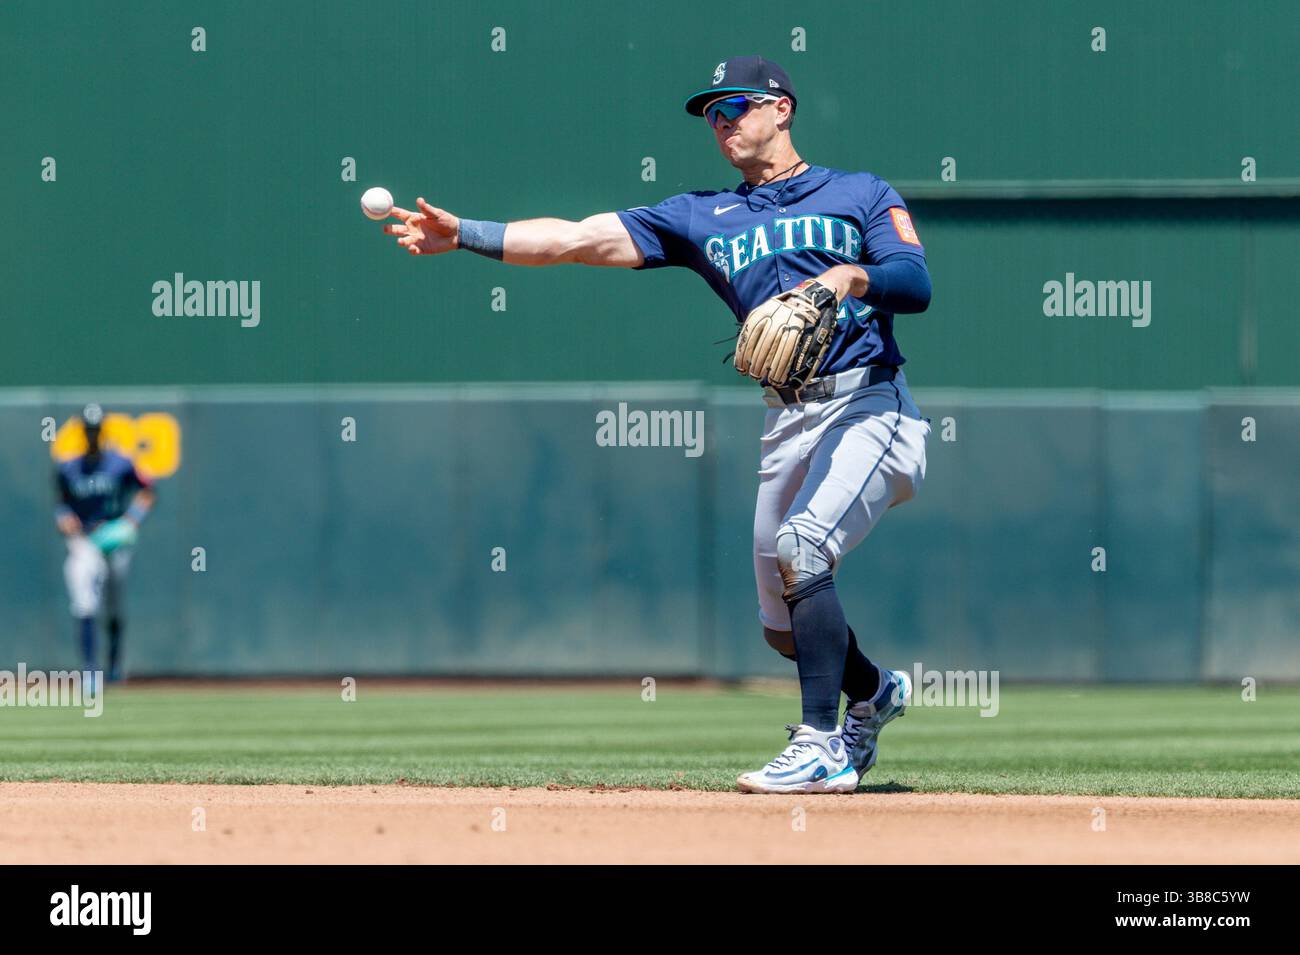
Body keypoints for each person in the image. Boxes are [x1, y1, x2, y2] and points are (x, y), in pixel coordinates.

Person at [381, 55, 931, 793]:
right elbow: (577, 238)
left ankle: (821, 742)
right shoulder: (701, 215)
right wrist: (470, 233)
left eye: (735, 105)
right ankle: (871, 690)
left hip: (870, 403)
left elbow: (917, 285)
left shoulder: (858, 193)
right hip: (787, 417)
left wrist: (848, 274)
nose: (723, 122)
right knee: (782, 628)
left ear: (782, 108)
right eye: (712, 114)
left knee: (804, 545)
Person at [55, 403, 155, 687]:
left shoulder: (120, 462)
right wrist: (64, 518)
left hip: (113, 538)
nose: (91, 436)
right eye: (88, 431)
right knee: (85, 600)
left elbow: (148, 489)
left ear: (102, 432)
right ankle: (89, 669)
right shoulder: (68, 467)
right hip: (84, 541)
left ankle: (113, 666)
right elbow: (61, 504)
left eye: (95, 431)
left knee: (113, 605)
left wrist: (132, 520)